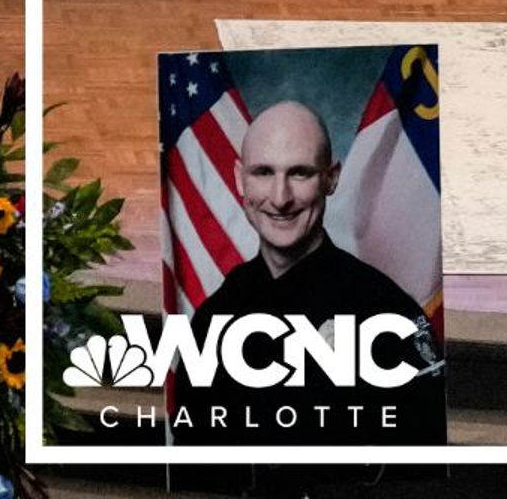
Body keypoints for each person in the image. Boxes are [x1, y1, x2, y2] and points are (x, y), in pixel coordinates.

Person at [172, 101, 445, 445]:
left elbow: (422, 464)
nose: (280, 197)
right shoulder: (216, 316)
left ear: (331, 179)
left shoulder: (387, 312)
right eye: (263, 173)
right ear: (240, 181)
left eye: (300, 173)